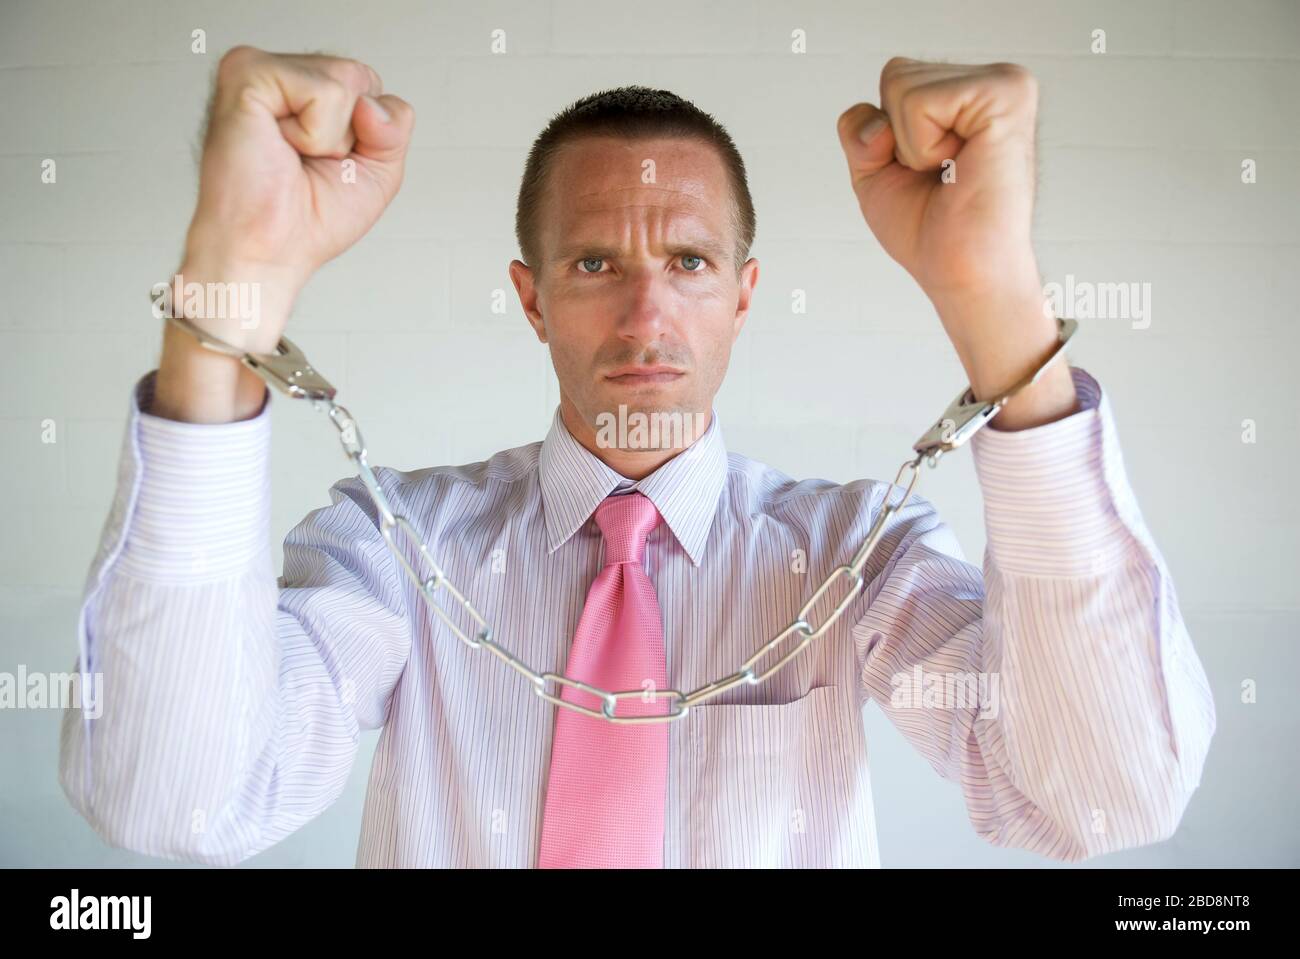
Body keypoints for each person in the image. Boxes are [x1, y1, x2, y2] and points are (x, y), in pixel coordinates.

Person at [59, 47, 1215, 868]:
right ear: (531, 298)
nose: (648, 312)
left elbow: (1099, 797)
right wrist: (228, 293)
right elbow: (178, 797)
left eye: (694, 262)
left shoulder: (857, 557)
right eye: (597, 264)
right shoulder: (393, 545)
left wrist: (997, 308)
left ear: (746, 295)